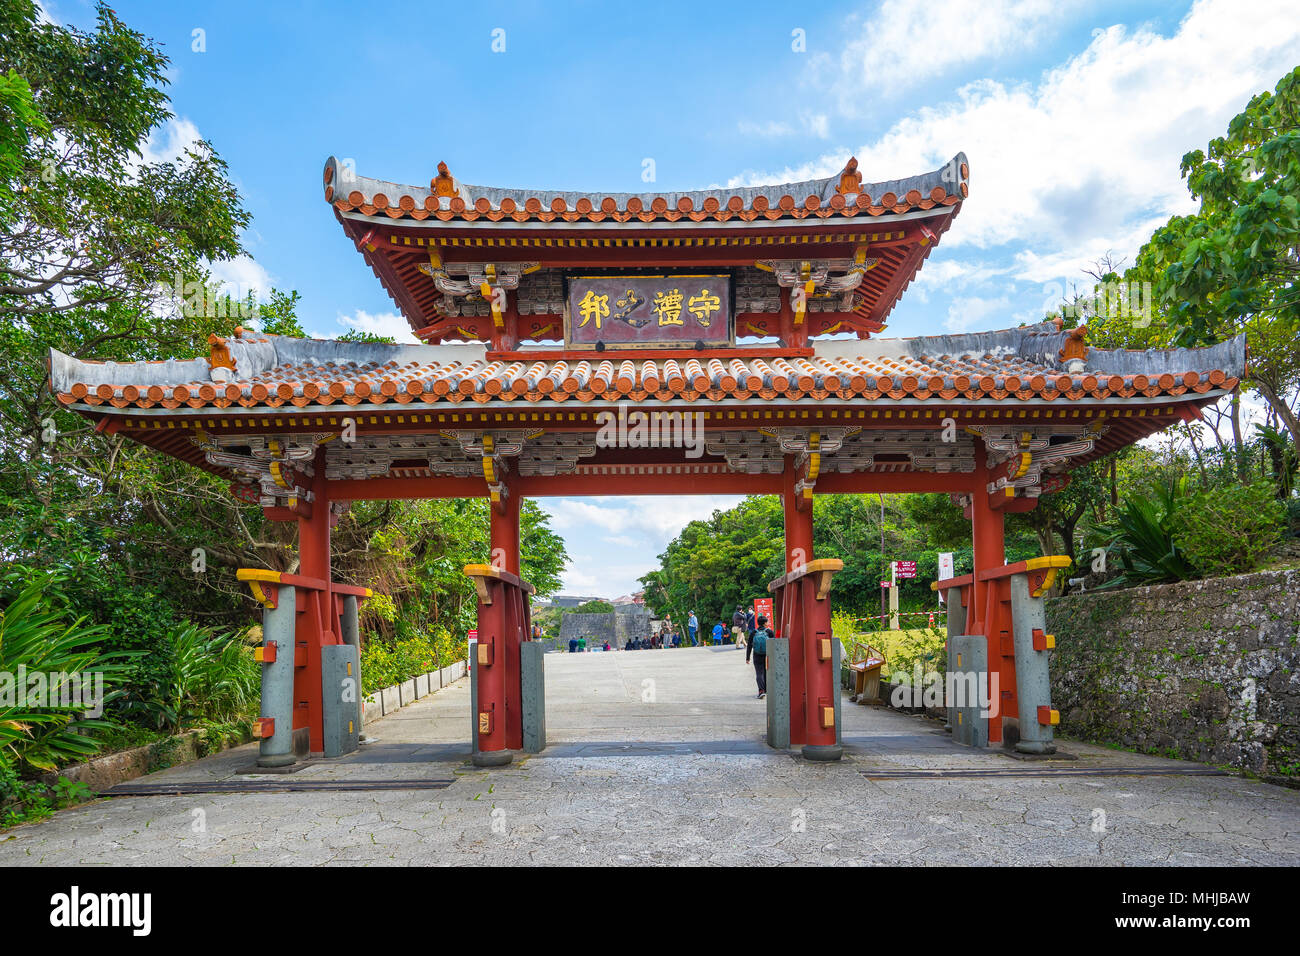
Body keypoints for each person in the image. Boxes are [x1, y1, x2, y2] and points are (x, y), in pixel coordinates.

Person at [750, 614, 772, 699]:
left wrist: (747, 657)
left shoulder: (754, 632)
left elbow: (749, 646)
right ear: (765, 623)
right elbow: (774, 644)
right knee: (766, 672)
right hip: (767, 655)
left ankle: (761, 691)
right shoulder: (769, 632)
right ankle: (766, 690)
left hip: (757, 655)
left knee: (759, 673)